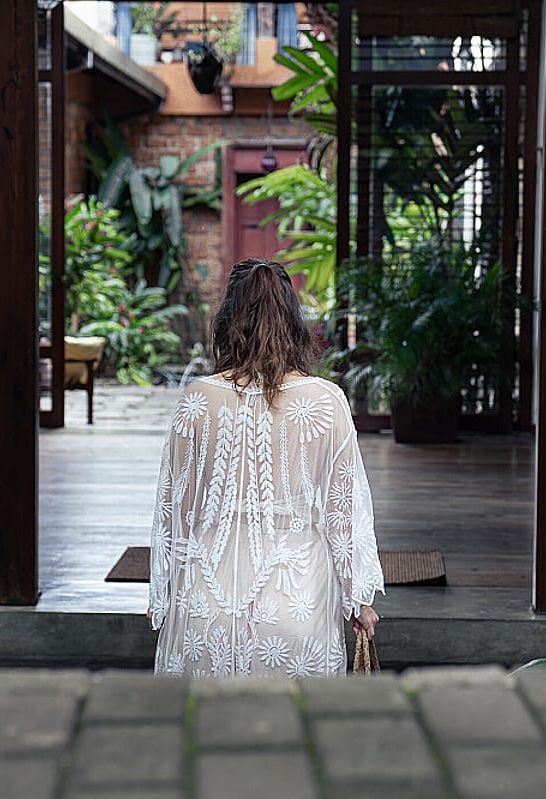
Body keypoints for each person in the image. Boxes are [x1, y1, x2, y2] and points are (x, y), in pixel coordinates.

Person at [148, 258, 384, 676]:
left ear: (226, 320)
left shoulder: (198, 399)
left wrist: (162, 597)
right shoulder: (327, 401)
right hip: (297, 603)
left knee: (202, 734)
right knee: (297, 735)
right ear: (294, 321)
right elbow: (343, 513)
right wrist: (358, 598)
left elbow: (174, 514)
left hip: (206, 604)